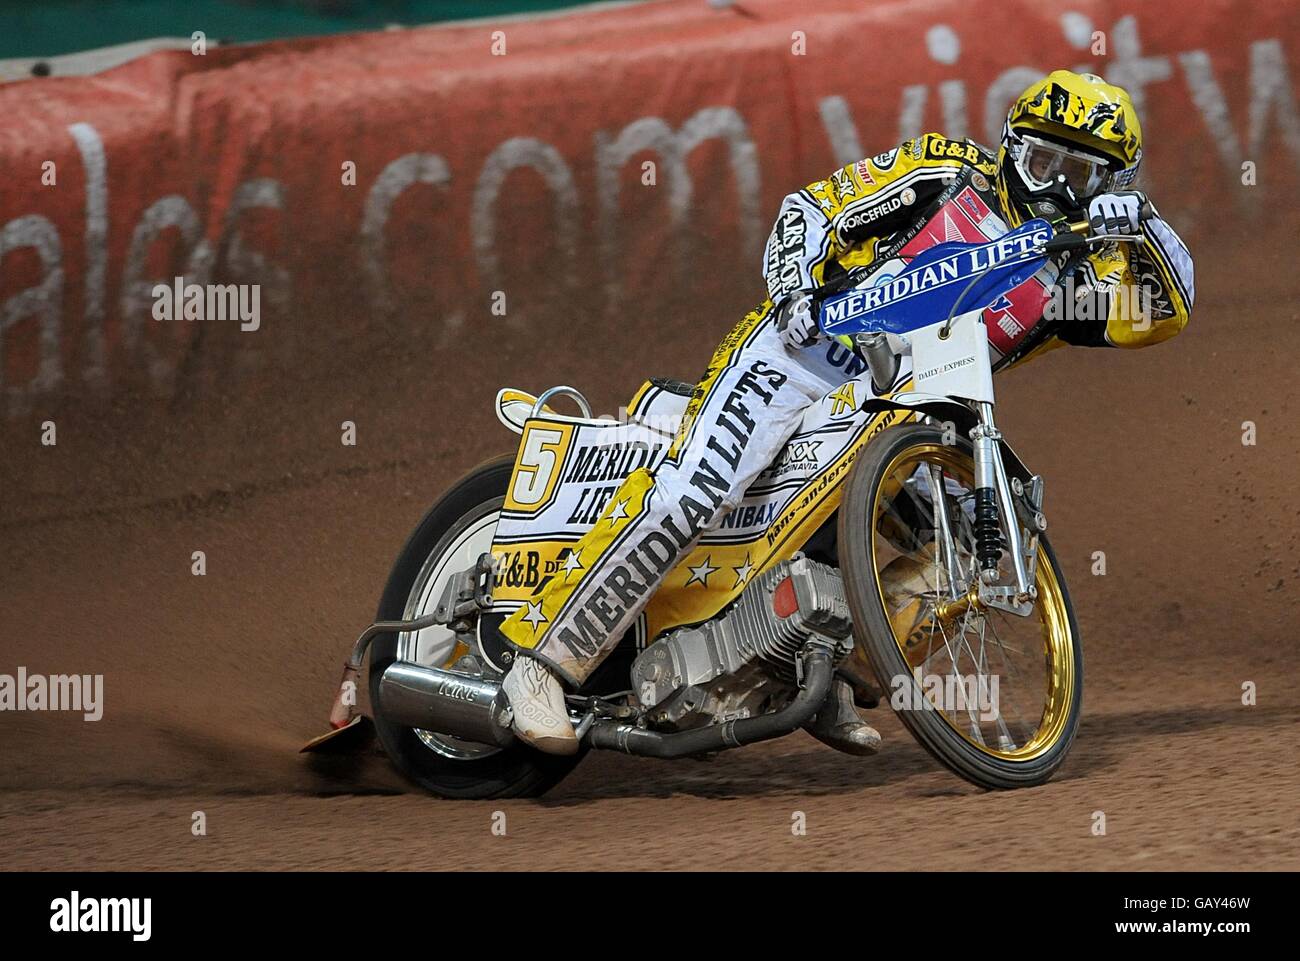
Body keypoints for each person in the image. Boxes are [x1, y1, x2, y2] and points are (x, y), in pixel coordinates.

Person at [499, 70, 1194, 756]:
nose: (1050, 185)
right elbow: (810, 207)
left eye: (1076, 176)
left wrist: (1143, 226)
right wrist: (795, 288)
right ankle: (542, 661)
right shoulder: (946, 171)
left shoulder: (1077, 279)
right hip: (803, 356)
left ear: (1110, 187)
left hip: (902, 411)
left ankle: (819, 664)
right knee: (697, 490)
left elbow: (1171, 307)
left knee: (965, 549)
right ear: (1011, 145)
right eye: (1041, 160)